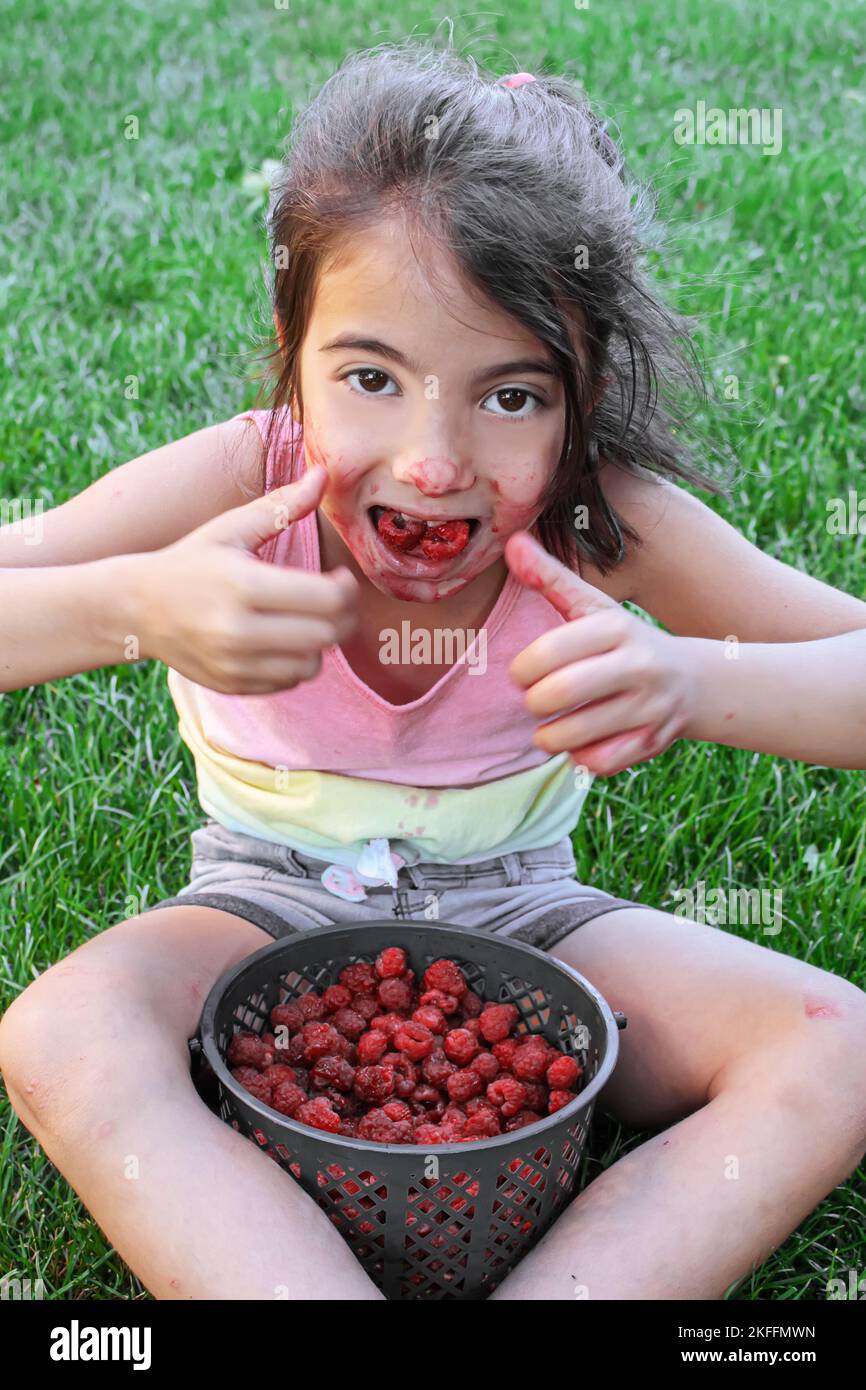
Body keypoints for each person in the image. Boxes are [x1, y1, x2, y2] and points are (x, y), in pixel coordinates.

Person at [2, 40, 866, 1302]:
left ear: (583, 399)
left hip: (532, 916)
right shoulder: (240, 482)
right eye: (368, 378)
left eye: (509, 396)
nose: (429, 458)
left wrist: (691, 680)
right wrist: (127, 605)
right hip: (253, 908)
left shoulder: (601, 518)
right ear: (290, 356)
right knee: (59, 1033)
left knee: (836, 1047)